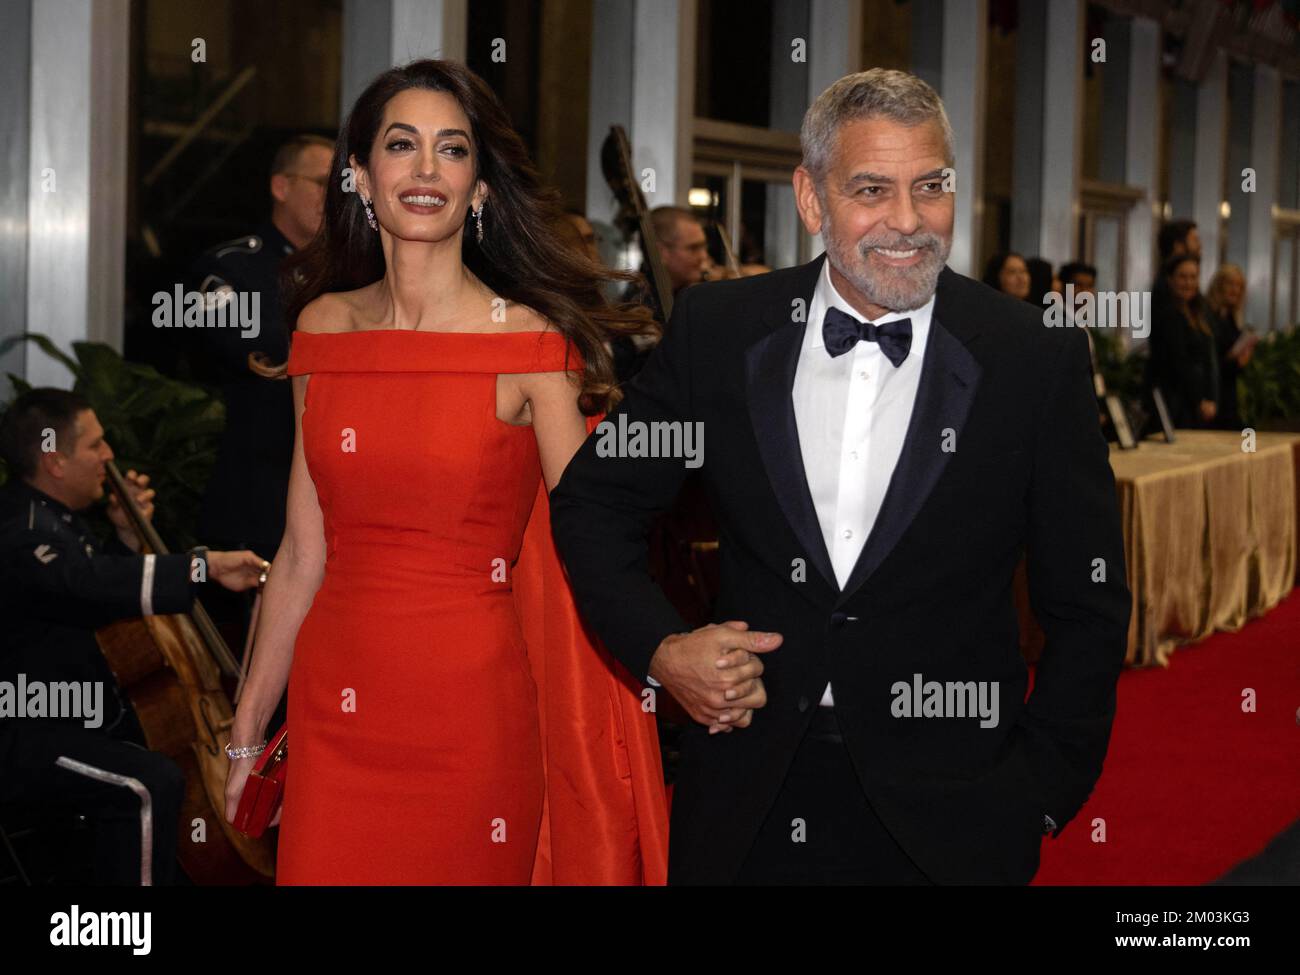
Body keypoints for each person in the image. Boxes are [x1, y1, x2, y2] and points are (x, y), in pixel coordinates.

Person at [551, 68, 1131, 885]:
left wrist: (1038, 791)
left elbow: (1089, 601)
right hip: (748, 796)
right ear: (811, 199)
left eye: (930, 187)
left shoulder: (1030, 358)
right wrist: (662, 647)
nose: (908, 221)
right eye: (872, 189)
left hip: (952, 816)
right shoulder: (722, 333)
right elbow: (595, 501)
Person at [222, 58, 667, 885]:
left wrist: (670, 648)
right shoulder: (321, 331)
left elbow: (593, 548)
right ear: (359, 175)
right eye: (402, 145)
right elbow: (301, 551)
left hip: (472, 725)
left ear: (481, 185)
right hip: (333, 719)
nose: (426, 171)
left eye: (452, 150)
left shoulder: (533, 346)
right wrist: (249, 727)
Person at [0, 388, 265, 885]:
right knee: (149, 783)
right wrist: (201, 566)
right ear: (55, 462)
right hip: (24, 730)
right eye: (96, 445)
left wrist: (125, 540)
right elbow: (80, 584)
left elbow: (93, 599)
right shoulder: (20, 529)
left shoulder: (57, 521)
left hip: (76, 716)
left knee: (157, 762)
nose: (109, 456)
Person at [189, 134, 334, 568]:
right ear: (281, 187)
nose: (333, 198)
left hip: (336, 498)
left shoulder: (353, 270)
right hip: (257, 503)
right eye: (322, 182)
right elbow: (258, 345)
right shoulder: (232, 266)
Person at [1148, 255, 1219, 428]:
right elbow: (1178, 363)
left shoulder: (1200, 312)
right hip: (1174, 403)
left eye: (1193, 277)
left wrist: (1210, 397)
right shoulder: (1165, 315)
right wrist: (1199, 400)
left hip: (1196, 403)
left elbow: (1207, 360)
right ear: (1170, 279)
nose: (1188, 283)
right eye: (1182, 276)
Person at [1204, 263, 1254, 430]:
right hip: (1214, 395)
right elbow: (1210, 361)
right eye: (1230, 284)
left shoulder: (1232, 319)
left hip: (1228, 394)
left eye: (1239, 286)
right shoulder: (1209, 317)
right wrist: (1236, 362)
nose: (1235, 290)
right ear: (1219, 286)